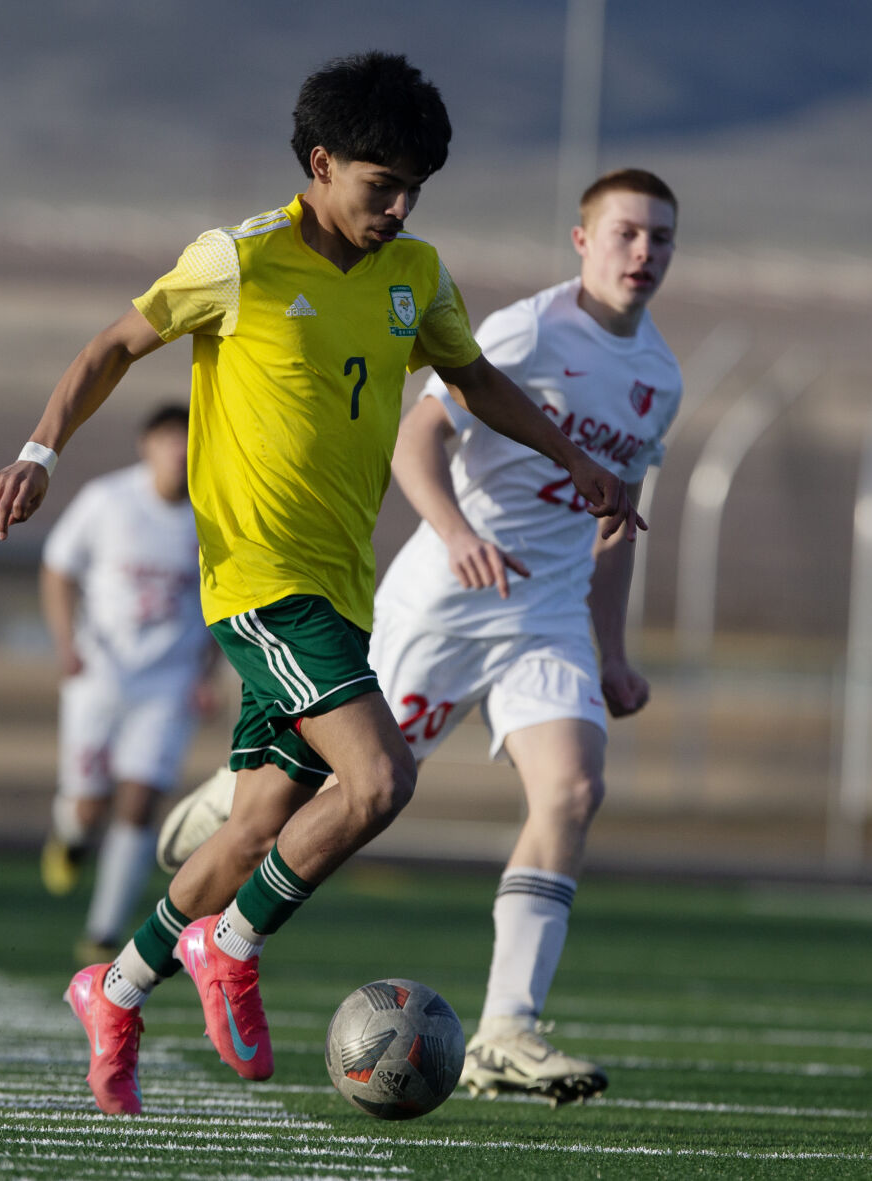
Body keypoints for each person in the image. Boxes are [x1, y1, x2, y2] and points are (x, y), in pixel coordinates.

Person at [0, 51, 642, 1117]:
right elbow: (113, 343)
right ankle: (228, 944)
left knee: (253, 826)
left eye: (415, 187)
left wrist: (576, 459)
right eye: (381, 185)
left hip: (340, 589)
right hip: (256, 580)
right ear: (319, 164)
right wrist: (39, 453)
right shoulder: (238, 259)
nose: (399, 206)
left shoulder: (415, 275)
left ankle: (115, 983)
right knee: (378, 782)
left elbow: (471, 378)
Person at [157, 169, 684, 1105]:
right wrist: (455, 532)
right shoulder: (527, 331)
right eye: (626, 234)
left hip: (547, 613)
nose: (643, 254)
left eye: (660, 239)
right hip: (443, 601)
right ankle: (226, 803)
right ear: (582, 240)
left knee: (574, 787)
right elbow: (415, 438)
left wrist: (609, 649)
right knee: (314, 801)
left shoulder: (661, 378)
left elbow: (616, 523)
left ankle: (506, 1033)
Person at [36, 403, 219, 966]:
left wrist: (208, 673)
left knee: (139, 804)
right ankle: (71, 833)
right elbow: (58, 567)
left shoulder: (213, 514)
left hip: (168, 681)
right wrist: (66, 642)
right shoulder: (107, 500)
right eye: (169, 439)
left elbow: (222, 600)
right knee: (90, 803)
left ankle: (104, 930)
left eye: (189, 441)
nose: (179, 451)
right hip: (100, 673)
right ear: (147, 444)